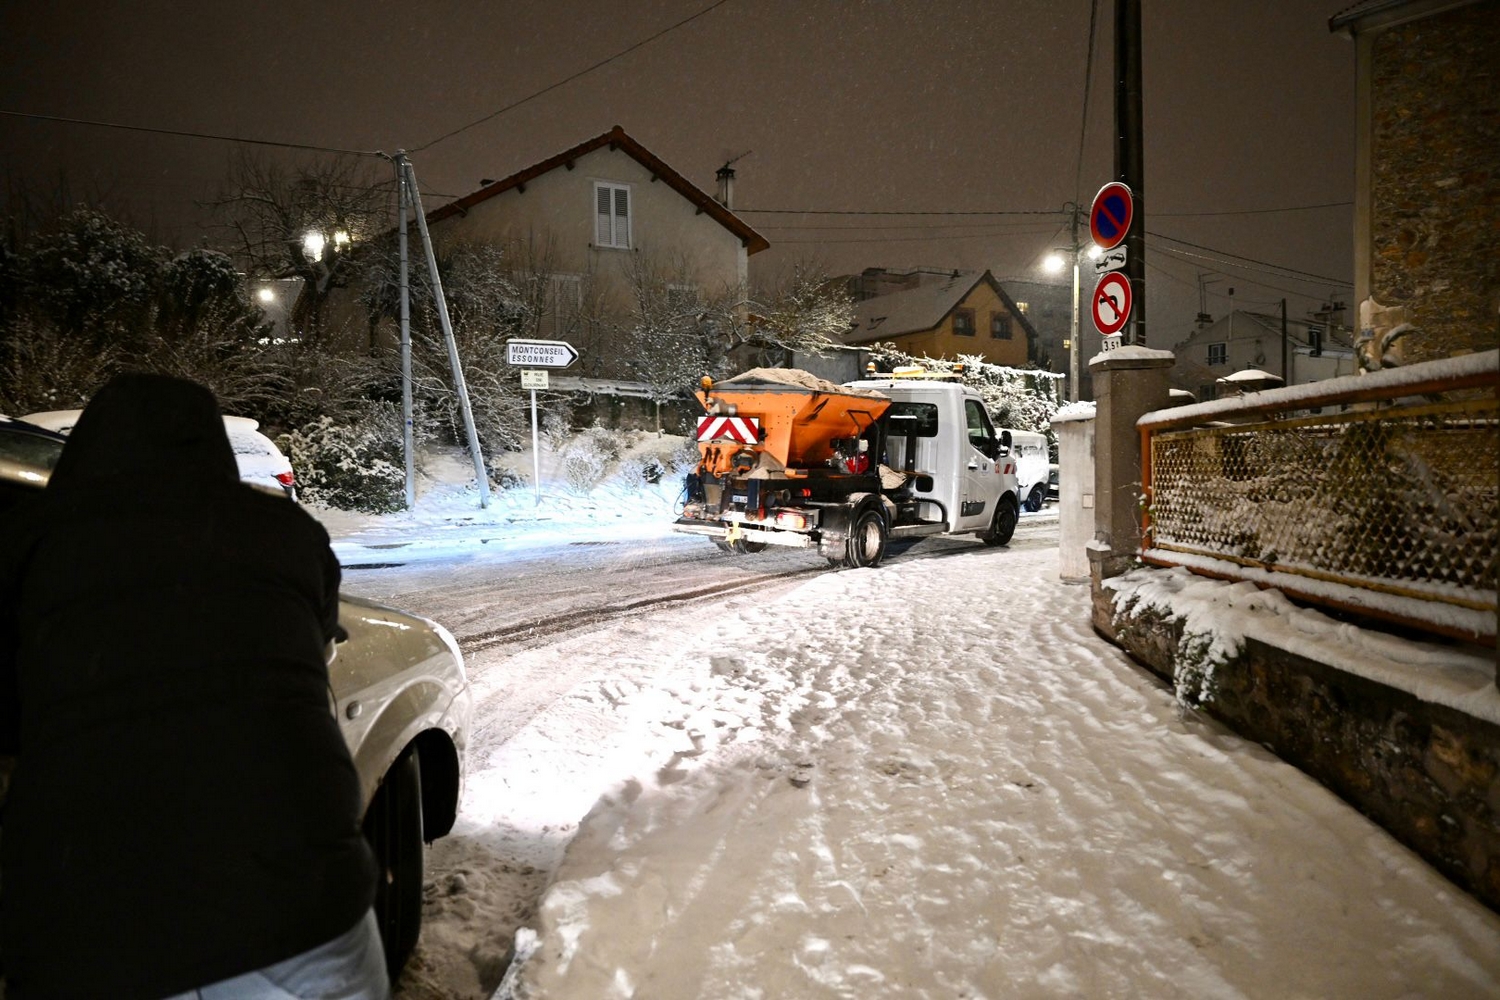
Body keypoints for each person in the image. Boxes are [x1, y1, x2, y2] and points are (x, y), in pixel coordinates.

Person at [0, 373, 386, 999]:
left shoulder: (29, 540)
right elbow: (314, 656)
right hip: (300, 897)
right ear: (212, 447)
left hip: (92, 929)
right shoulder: (286, 532)